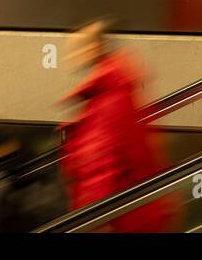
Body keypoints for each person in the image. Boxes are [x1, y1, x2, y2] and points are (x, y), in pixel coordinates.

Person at [58, 20, 176, 232]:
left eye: (78, 47)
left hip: (121, 219)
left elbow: (102, 163)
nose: (71, 55)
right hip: (130, 214)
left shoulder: (109, 97)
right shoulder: (112, 89)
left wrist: (93, 217)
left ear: (96, 47)